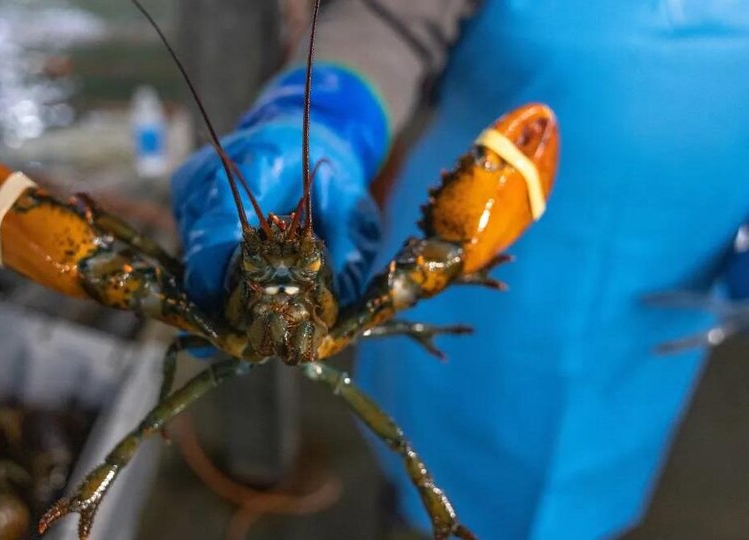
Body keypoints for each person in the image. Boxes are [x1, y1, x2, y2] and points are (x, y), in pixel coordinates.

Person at [171, 1, 749, 538]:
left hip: (674, 306)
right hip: (457, 267)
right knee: (425, 470)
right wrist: (329, 113)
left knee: (605, 477)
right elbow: (393, 16)